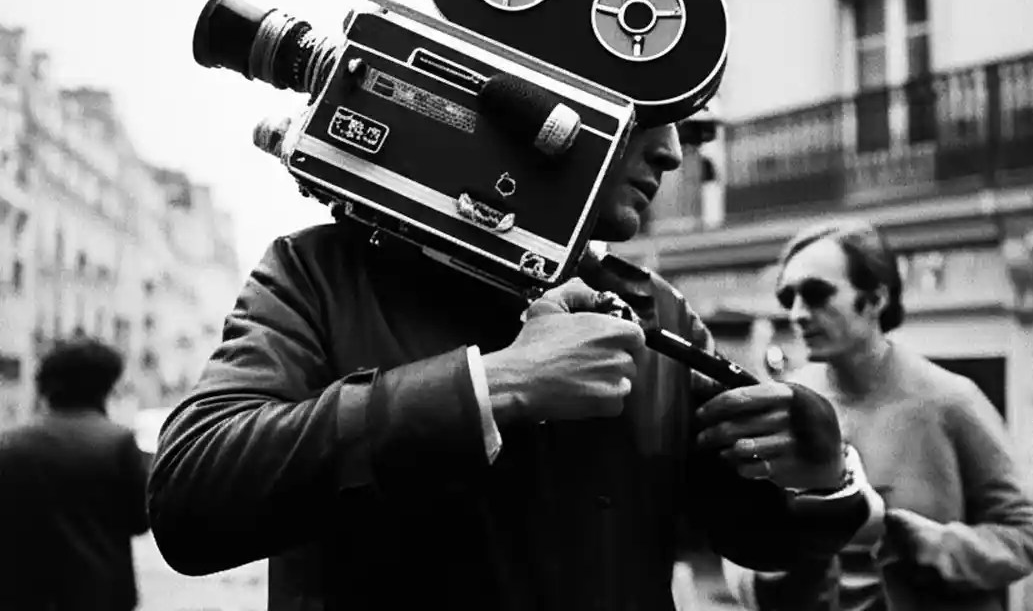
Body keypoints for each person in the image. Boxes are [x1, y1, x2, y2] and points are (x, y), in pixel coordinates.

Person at [146, 119, 883, 610]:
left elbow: (755, 539)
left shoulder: (657, 309)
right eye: (650, 117)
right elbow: (192, 498)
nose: (672, 154)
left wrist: (820, 475)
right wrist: (495, 384)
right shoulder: (323, 272)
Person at [725, 220, 1033, 611]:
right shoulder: (786, 406)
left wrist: (924, 543)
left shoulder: (949, 399)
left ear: (876, 298)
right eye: (788, 297)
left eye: (815, 294)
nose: (797, 314)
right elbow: (739, 538)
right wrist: (785, 567)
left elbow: (1027, 535)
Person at [0, 337, 151, 610]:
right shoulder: (117, 442)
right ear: (105, 387)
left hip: (25, 595)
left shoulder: (11, 444)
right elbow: (140, 520)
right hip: (99, 594)